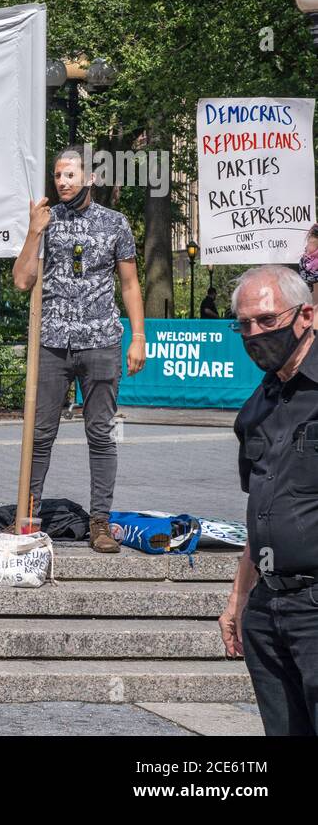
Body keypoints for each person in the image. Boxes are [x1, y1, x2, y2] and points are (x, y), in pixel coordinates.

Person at [12, 145, 146, 553]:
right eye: (57, 176)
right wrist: (35, 230)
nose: (63, 182)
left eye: (70, 175)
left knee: (100, 434)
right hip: (53, 343)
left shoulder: (115, 223)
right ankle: (28, 517)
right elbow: (22, 281)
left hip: (101, 341)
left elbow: (129, 285)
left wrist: (137, 337)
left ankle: (100, 522)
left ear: (90, 178)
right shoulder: (45, 222)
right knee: (39, 435)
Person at [219, 265, 318, 734]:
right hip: (268, 609)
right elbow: (259, 509)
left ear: (306, 316)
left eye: (266, 320)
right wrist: (240, 597)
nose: (254, 333)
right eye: (244, 324)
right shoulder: (258, 405)